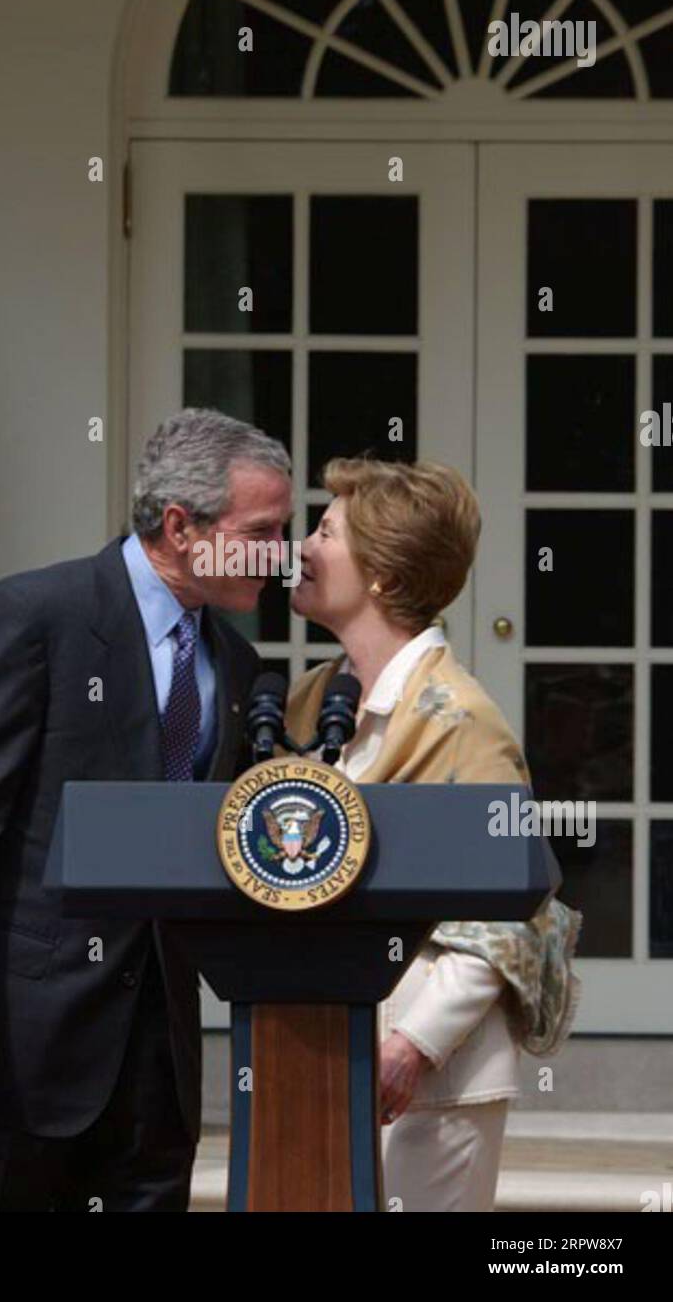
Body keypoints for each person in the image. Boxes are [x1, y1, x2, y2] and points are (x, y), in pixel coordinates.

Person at [0, 407, 292, 1212]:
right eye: (264, 530)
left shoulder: (238, 663)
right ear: (181, 526)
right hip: (4, 1050)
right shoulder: (34, 617)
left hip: (153, 1068)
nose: (278, 556)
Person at [286, 457, 581, 1213]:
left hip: (429, 1074)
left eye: (325, 531)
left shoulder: (460, 715)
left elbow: (508, 913)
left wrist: (410, 1045)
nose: (304, 547)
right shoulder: (313, 698)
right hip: (323, 1045)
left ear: (381, 577)